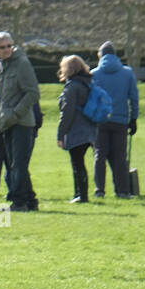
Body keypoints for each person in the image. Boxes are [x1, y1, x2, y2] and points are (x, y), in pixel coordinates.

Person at [0, 31, 39, 211]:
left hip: (22, 123)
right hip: (5, 123)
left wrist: (15, 113)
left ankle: (19, 202)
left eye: (9, 46)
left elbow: (33, 93)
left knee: (18, 165)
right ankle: (31, 201)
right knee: (15, 165)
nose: (7, 50)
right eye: (2, 47)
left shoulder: (22, 64)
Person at [91, 41, 139, 199]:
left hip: (100, 120)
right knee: (120, 156)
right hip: (121, 120)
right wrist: (133, 118)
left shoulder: (94, 74)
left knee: (100, 155)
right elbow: (134, 98)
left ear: (101, 55)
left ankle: (100, 189)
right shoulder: (127, 73)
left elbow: (90, 99)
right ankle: (122, 190)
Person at [55, 55, 98, 203]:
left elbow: (67, 112)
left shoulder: (72, 86)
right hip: (90, 128)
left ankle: (82, 195)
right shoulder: (88, 83)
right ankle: (79, 193)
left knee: (77, 163)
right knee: (80, 162)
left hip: (76, 130)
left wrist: (60, 134)